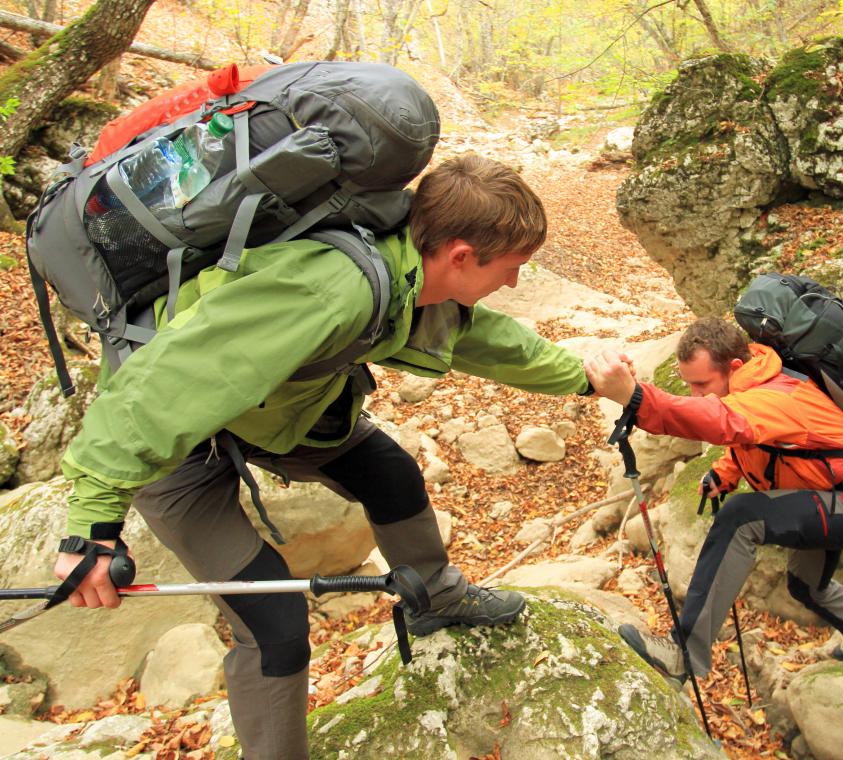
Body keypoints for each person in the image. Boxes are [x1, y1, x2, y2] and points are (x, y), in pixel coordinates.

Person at [53, 153, 593, 759]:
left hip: (284, 409)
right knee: (274, 622)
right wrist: (92, 530)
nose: (517, 281)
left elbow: (485, 339)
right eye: (513, 267)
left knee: (389, 474)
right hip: (181, 442)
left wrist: (587, 379)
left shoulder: (411, 274)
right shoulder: (329, 290)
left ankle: (435, 598)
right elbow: (161, 389)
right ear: (462, 254)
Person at [584, 316, 843, 683]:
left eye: (701, 384)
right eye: (689, 384)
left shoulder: (779, 395)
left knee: (742, 517)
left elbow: (725, 421)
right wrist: (726, 473)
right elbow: (755, 437)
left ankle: (684, 655)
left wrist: (635, 397)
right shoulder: (756, 381)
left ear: (735, 367)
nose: (695, 394)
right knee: (805, 586)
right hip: (827, 495)